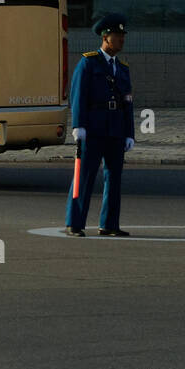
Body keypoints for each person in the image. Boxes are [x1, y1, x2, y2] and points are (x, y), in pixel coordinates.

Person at [64, 12, 135, 237]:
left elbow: (128, 103)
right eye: (117, 35)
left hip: (115, 129)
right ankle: (74, 223)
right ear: (105, 37)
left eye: (123, 35)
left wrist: (129, 133)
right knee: (84, 176)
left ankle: (109, 224)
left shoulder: (123, 68)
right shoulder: (88, 62)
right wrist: (78, 125)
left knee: (114, 178)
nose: (122, 39)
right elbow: (78, 95)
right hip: (93, 128)